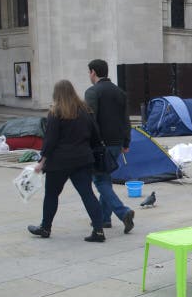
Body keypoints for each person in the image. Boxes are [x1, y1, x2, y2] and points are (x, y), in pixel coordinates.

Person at [28, 80, 106, 242]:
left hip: (59, 162)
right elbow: (96, 135)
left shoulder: (56, 113)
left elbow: (50, 141)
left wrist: (42, 162)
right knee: (88, 194)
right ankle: (98, 230)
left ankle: (45, 227)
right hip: (83, 159)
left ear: (57, 94)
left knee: (51, 195)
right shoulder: (85, 110)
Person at [84, 59, 134, 233]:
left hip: (100, 145)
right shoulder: (120, 93)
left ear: (93, 72)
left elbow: (91, 120)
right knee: (106, 179)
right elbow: (126, 120)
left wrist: (92, 143)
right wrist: (126, 142)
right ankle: (104, 218)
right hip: (117, 144)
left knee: (100, 180)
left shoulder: (92, 92)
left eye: (89, 72)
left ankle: (123, 212)